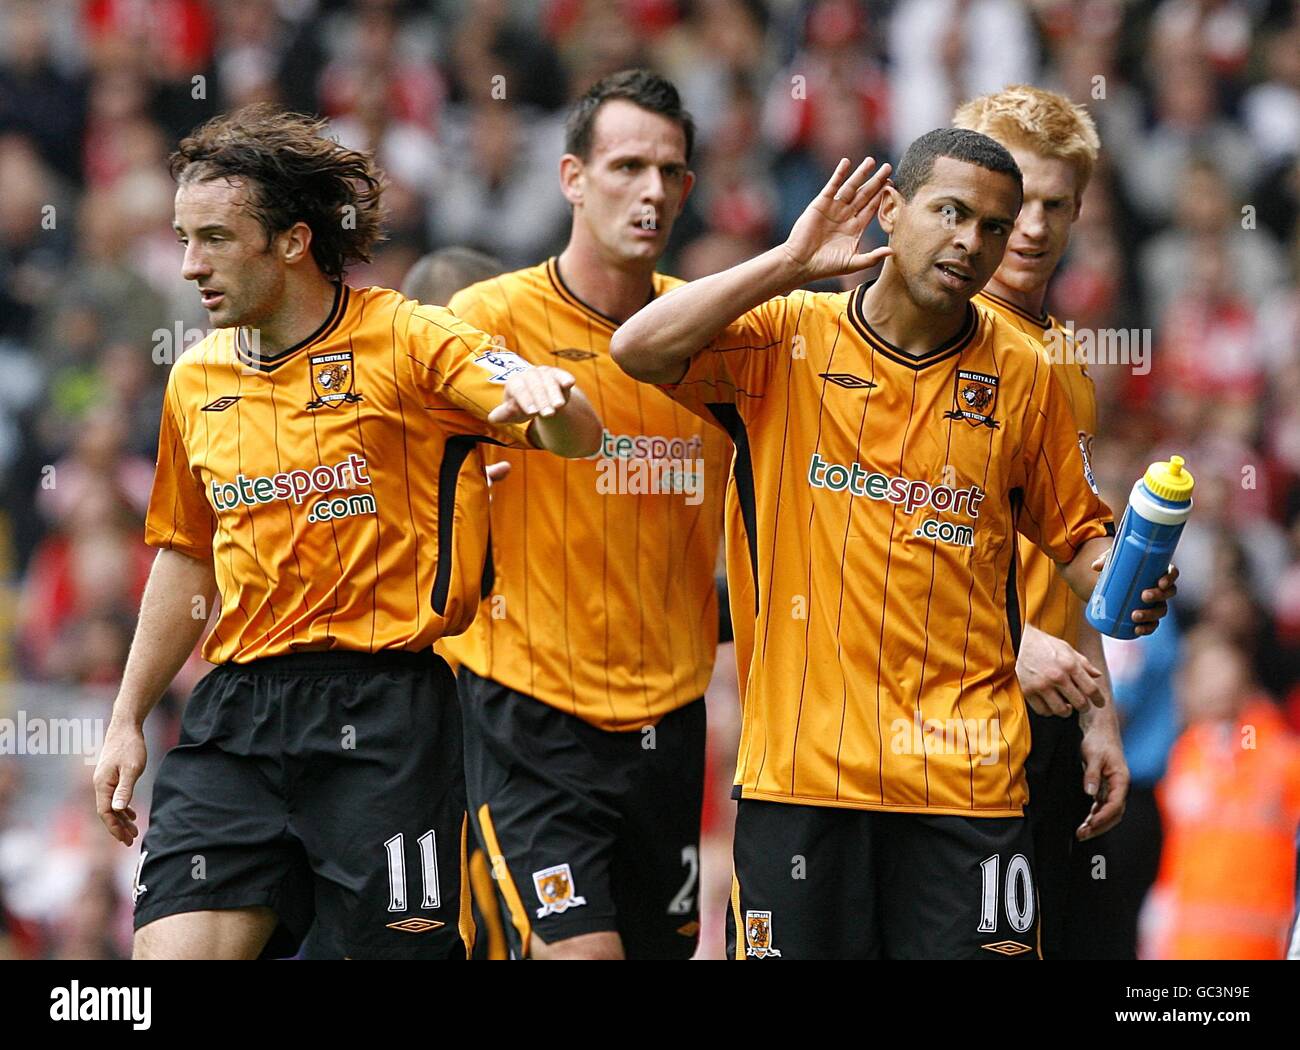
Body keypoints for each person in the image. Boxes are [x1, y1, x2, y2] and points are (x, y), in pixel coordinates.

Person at [612, 127, 1176, 959]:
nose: (972, 243)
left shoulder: (1025, 371)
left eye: (994, 226)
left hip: (968, 783)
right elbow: (637, 348)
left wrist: (1129, 579)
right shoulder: (785, 335)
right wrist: (790, 261)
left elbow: (1078, 542)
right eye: (951, 213)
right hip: (803, 776)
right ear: (890, 210)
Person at [91, 104, 602, 960]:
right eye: (184, 238)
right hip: (237, 720)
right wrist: (125, 718)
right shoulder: (195, 379)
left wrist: (551, 403)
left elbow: (576, 429)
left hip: (386, 718)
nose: (187, 266)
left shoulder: (409, 337)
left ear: (292, 241)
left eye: (213, 239)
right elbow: (187, 555)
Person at [441, 69, 731, 960]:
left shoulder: (714, 337)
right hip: (530, 717)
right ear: (572, 177)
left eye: (671, 172)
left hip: (669, 725)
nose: (652, 190)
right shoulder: (486, 321)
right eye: (626, 166)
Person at [953, 85, 1130, 958]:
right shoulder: (925, 336)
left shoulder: (1067, 362)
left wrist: (1101, 717)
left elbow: (1073, 553)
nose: (1031, 226)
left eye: (1055, 204)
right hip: (948, 715)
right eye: (1015, 199)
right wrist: (1003, 643)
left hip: (1049, 724)